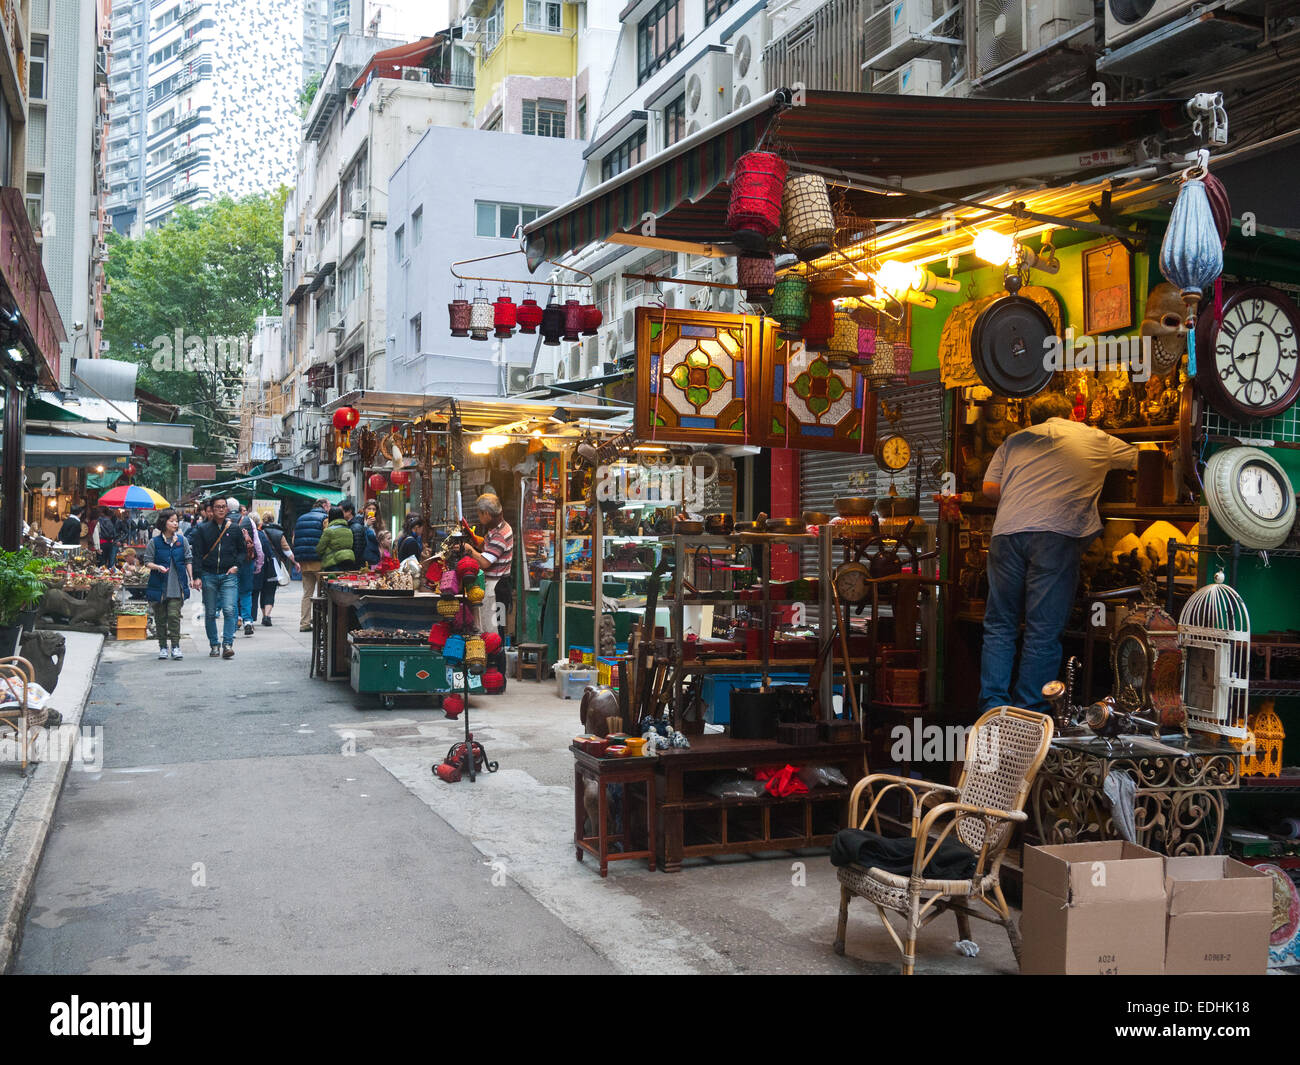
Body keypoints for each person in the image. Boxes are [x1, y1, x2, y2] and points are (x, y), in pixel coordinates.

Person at [979, 392, 1139, 713]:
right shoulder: (1095, 437)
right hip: (1056, 533)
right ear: (1072, 416)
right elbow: (1140, 459)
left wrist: (1023, 492)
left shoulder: (1014, 440)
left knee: (1000, 625)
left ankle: (992, 709)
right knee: (1042, 632)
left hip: (1008, 532)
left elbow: (989, 488)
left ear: (1032, 420)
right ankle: (1028, 713)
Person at [189, 497, 243, 659]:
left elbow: (242, 551)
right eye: (217, 507)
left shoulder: (234, 529)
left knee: (229, 609)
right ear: (211, 510)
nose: (221, 509)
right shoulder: (202, 529)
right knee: (211, 612)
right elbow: (197, 555)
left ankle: (227, 644)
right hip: (208, 574)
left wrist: (236, 566)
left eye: (223, 507)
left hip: (228, 575)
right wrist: (197, 576)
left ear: (227, 509)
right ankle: (214, 644)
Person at [143, 508, 193, 660]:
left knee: (173, 616)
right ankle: (163, 646)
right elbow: (147, 562)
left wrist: (191, 578)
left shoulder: (182, 541)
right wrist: (158, 567)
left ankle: (176, 646)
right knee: (160, 617)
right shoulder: (155, 542)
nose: (175, 523)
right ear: (164, 523)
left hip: (177, 585)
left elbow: (188, 559)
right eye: (172, 521)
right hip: (159, 585)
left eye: (176, 521)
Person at [461, 493, 513, 637]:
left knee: (495, 631)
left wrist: (469, 549)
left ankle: (497, 658)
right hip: (495, 586)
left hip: (498, 588)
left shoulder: (500, 534)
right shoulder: (496, 528)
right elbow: (486, 547)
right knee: (492, 628)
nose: (479, 518)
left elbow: (484, 562)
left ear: (487, 514)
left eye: (479, 514)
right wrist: (474, 540)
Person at [292, 499, 329, 631]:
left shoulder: (301, 518)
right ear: (324, 506)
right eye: (328, 506)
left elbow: (294, 539)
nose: (329, 509)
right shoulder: (324, 518)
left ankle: (304, 623)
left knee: (307, 593)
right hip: (318, 561)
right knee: (322, 593)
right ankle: (320, 622)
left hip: (304, 561)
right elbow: (327, 538)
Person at [229, 496, 263, 636]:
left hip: (230, 563)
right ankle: (248, 621)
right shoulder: (249, 520)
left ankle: (236, 619)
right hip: (247, 561)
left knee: (232, 592)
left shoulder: (224, 521)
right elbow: (256, 544)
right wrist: (259, 562)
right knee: (246, 591)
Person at [257, 510, 295, 625]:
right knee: (270, 590)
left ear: (263, 520)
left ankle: (264, 614)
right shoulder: (279, 533)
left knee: (262, 590)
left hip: (261, 564)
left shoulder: (258, 531)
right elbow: (287, 550)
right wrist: (296, 562)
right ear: (273, 519)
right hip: (274, 564)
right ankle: (268, 615)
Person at [317, 506, 356, 572]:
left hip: (333, 562)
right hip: (348, 560)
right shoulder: (349, 530)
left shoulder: (329, 531)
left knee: (332, 581)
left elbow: (320, 549)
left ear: (330, 517)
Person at [341, 499, 369, 572]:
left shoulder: (356, 526)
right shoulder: (349, 524)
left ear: (349, 511)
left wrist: (351, 565)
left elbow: (358, 549)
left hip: (355, 567)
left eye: (341, 511)